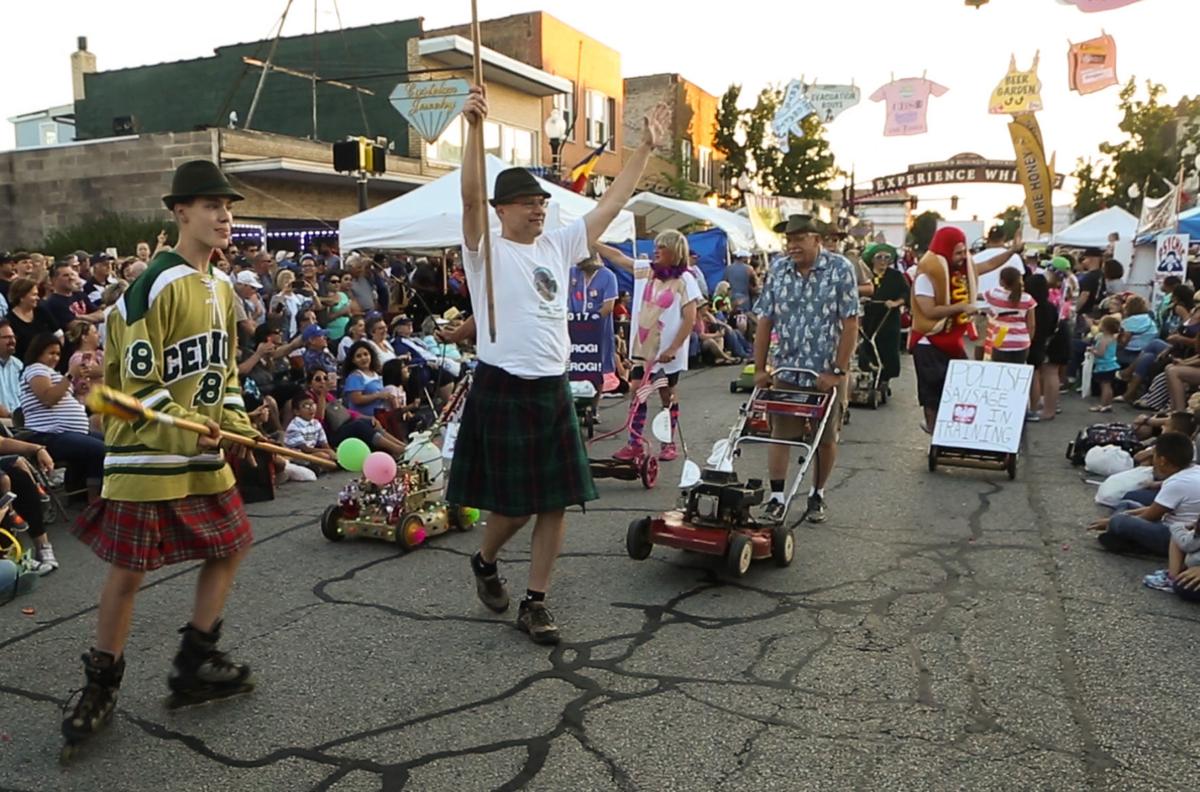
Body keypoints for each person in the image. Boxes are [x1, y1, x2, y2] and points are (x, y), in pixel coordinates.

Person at [449, 83, 662, 645]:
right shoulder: (485, 250)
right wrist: (473, 130)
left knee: (555, 501)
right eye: (528, 203)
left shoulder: (558, 246)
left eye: (542, 202)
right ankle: (486, 560)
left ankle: (535, 601)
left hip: (552, 386)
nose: (539, 208)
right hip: (504, 384)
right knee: (515, 506)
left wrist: (643, 150)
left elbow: (611, 203)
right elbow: (470, 200)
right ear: (503, 211)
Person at [63, 160, 261, 750]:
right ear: (180, 213)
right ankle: (101, 681)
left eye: (227, 206)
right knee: (130, 570)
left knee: (231, 544)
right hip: (146, 450)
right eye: (210, 205)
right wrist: (188, 423)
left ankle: (196, 658)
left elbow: (223, 372)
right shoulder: (150, 285)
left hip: (203, 444)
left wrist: (237, 423)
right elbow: (132, 387)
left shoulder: (224, 288)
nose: (224, 215)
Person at [752, 214, 860, 524]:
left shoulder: (840, 269)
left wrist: (838, 372)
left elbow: (850, 322)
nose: (792, 245)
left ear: (817, 239)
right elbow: (765, 319)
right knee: (781, 434)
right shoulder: (778, 269)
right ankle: (776, 497)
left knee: (825, 438)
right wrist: (759, 368)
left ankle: (817, 493)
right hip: (787, 368)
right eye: (789, 239)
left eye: (799, 239)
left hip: (825, 372)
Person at [599, 231, 702, 461]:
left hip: (667, 351)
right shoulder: (647, 269)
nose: (656, 250)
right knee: (637, 391)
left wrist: (673, 348)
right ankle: (634, 442)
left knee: (667, 394)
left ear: (674, 251)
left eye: (661, 247)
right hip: (642, 348)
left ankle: (668, 442)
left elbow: (689, 318)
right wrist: (591, 240)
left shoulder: (685, 279)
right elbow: (617, 257)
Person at [908, 227, 1008, 433]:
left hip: (952, 341)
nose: (964, 257)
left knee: (962, 387)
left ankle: (956, 432)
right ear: (945, 250)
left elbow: (989, 264)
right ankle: (934, 432)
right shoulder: (927, 275)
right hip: (929, 341)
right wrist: (961, 307)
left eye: (965, 252)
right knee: (932, 393)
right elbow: (929, 310)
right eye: (959, 253)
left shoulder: (961, 271)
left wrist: (1013, 250)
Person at [1091, 431, 1200, 559]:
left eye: (1154, 456)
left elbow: (1149, 516)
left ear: (1162, 461)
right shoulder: (1194, 470)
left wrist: (1114, 520)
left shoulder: (1176, 483)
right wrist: (1127, 514)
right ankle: (1121, 535)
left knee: (1119, 521)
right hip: (1177, 525)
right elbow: (1157, 509)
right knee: (1126, 504)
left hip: (1176, 538)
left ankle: (1129, 541)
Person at [859, 243, 908, 395]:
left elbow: (905, 294)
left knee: (888, 349)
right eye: (879, 257)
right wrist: (862, 299)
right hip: (870, 316)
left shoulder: (896, 276)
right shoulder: (866, 276)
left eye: (887, 258)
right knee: (867, 345)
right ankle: (869, 373)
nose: (883, 261)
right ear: (872, 260)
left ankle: (885, 379)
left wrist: (895, 303)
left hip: (888, 318)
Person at [1024, 274, 1068, 422]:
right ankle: (1048, 407)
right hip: (1056, 337)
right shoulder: (1049, 306)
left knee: (1041, 374)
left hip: (1043, 342)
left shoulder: (1031, 306)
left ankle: (1038, 409)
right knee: (1050, 373)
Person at [983, 267, 1037, 364]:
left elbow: (981, 296)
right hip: (1021, 340)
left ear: (1002, 282)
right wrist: (1029, 339)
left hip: (1000, 338)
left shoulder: (994, 294)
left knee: (999, 371)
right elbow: (1031, 325)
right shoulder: (1027, 299)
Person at [6, 277, 59, 362]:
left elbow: (59, 334)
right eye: (34, 295)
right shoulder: (9, 321)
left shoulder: (41, 311)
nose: (38, 298)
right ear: (22, 297)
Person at [283, 396, 336, 466]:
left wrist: (332, 452)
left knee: (334, 454)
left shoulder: (316, 423)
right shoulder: (294, 427)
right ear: (297, 412)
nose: (311, 408)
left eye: (313, 404)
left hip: (310, 454)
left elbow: (324, 444)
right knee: (323, 456)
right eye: (306, 406)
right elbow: (305, 449)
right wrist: (326, 451)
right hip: (297, 457)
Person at [1090, 315, 1121, 412]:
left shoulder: (1103, 339)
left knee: (1104, 386)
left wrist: (1092, 350)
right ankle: (1108, 404)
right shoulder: (1113, 338)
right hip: (1112, 364)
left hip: (1104, 365)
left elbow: (1100, 353)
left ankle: (1102, 404)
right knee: (1108, 385)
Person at [0, 320, 24, 418]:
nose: (13, 341)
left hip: (21, 422)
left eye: (13, 337)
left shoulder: (18, 365)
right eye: (7, 337)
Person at [725, 250, 759, 315]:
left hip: (732, 299)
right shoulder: (749, 269)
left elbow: (724, 283)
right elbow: (755, 284)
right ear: (744, 258)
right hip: (745, 300)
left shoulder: (728, 269)